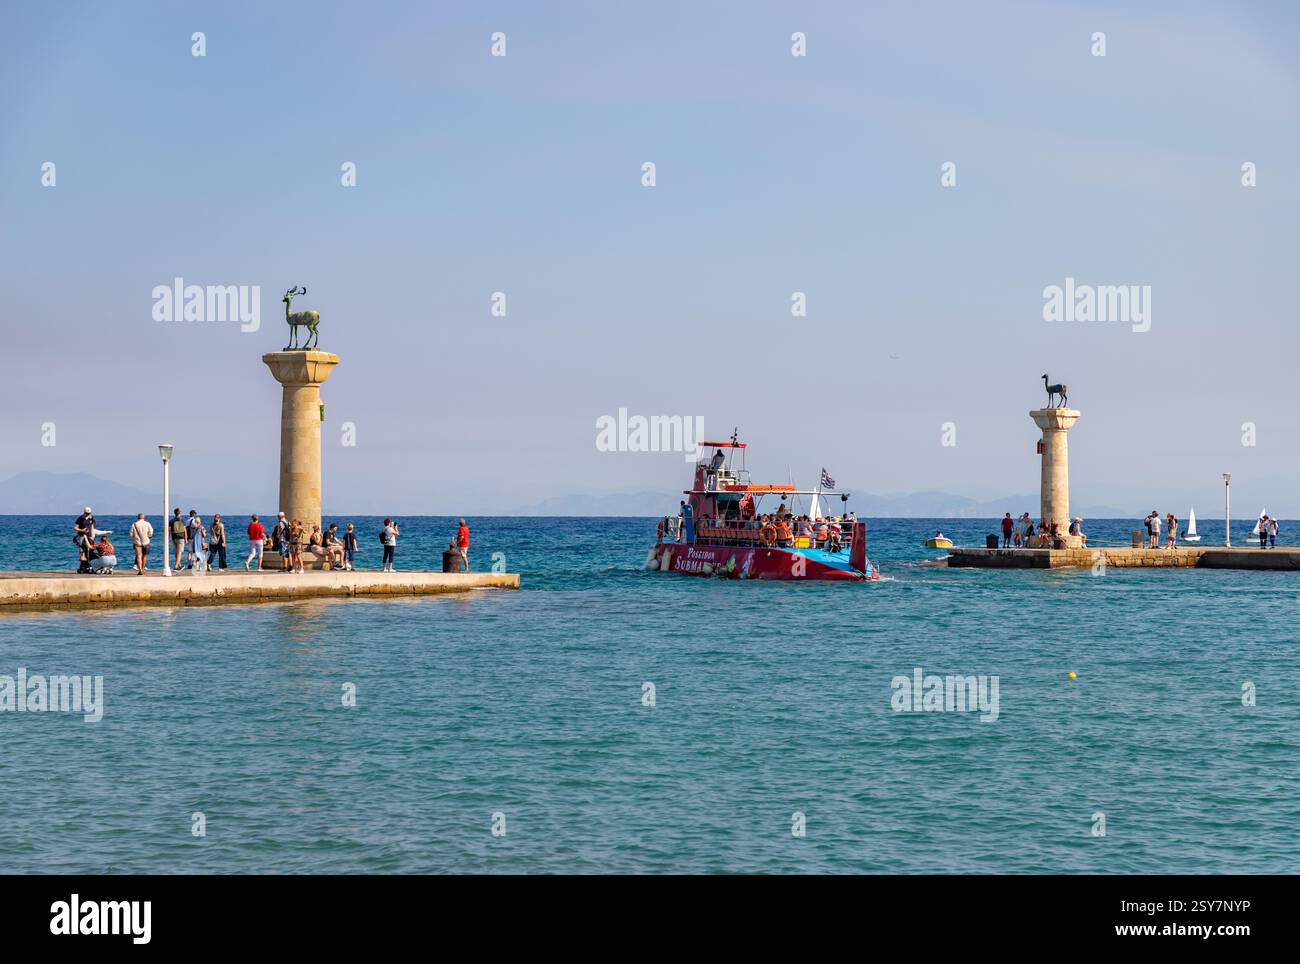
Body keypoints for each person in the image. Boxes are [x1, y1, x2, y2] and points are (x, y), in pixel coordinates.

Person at [73, 506, 96, 573]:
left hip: (89, 537)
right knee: (82, 551)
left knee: (89, 551)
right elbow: (75, 528)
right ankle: (82, 567)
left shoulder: (91, 518)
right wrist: (82, 530)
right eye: (86, 513)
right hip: (81, 536)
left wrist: (92, 535)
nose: (87, 515)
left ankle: (88, 566)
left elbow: (92, 526)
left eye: (88, 513)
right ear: (84, 512)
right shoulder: (80, 518)